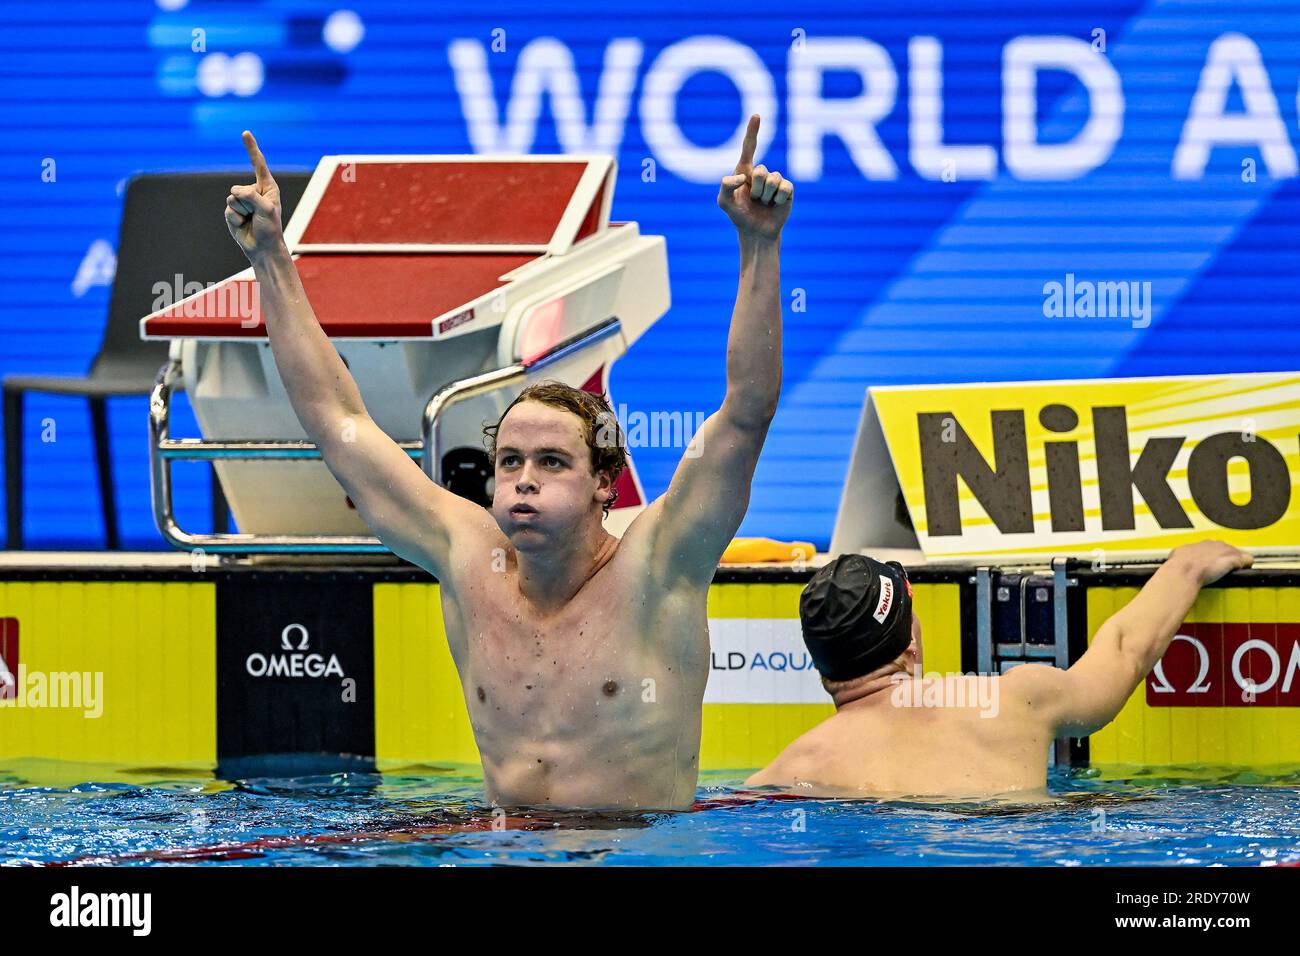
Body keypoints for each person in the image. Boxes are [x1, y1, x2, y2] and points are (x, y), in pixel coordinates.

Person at [224, 117, 793, 810]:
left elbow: (745, 412)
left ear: (603, 487)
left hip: (639, 857)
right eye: (510, 459)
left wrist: (759, 246)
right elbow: (337, 422)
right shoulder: (466, 556)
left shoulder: (660, 565)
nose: (523, 477)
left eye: (553, 461)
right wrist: (272, 261)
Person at [747, 540, 1254, 799]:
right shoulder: (1015, 701)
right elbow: (1125, 653)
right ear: (910, 645)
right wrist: (1186, 567)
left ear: (822, 668)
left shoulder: (784, 777)